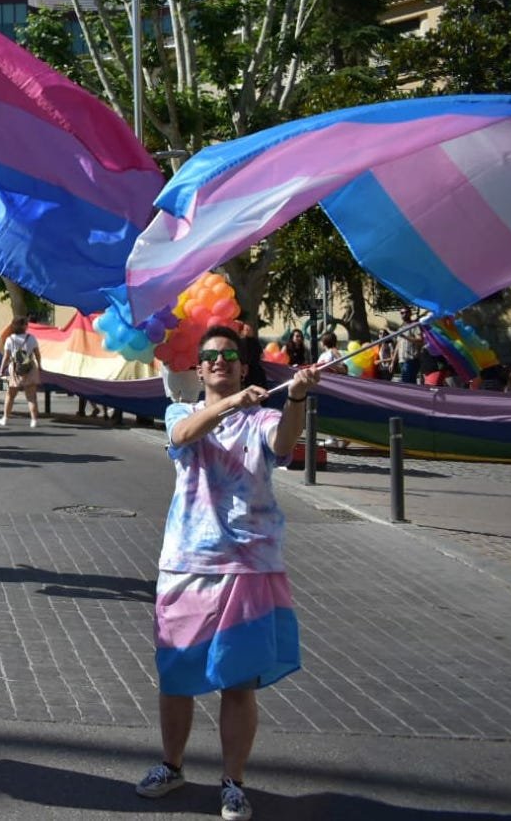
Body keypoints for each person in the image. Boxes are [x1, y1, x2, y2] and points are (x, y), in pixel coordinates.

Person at [134, 326, 320, 821]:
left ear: (243, 366)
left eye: (230, 355)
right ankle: (171, 766)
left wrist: (297, 398)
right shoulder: (181, 411)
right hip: (187, 565)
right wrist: (233, 402)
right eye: (211, 356)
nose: (220, 360)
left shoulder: (263, 418)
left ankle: (233, 783)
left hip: (249, 566)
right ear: (199, 370)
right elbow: (183, 437)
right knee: (176, 677)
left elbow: (284, 441)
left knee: (238, 683)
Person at [0, 317, 42, 428]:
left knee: (10, 395)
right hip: (30, 368)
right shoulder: (31, 338)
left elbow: (6, 357)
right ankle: (34, 420)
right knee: (31, 397)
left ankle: (5, 418)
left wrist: (1, 371)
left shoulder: (10, 339)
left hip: (15, 369)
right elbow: (37, 354)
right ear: (24, 326)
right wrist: (40, 366)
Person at [394, 308, 423, 384]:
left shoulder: (414, 326)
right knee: (407, 383)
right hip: (402, 360)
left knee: (408, 383)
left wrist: (404, 336)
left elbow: (420, 340)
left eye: (406, 312)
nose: (404, 314)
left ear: (410, 313)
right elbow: (398, 345)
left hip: (411, 359)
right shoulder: (400, 328)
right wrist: (393, 362)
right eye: (402, 313)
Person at [236, 322, 267, 389]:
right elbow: (262, 356)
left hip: (248, 370)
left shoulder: (240, 342)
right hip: (255, 370)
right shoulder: (254, 341)